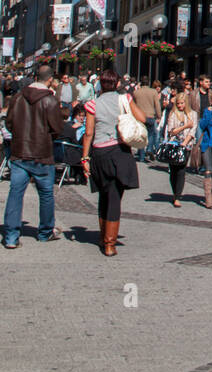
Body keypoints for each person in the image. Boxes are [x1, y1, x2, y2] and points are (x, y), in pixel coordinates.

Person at [81, 68, 147, 255]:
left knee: (104, 194)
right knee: (114, 197)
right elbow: (142, 118)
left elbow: (88, 133)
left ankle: (104, 237)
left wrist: (85, 157)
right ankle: (110, 243)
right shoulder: (124, 99)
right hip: (119, 151)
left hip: (100, 153)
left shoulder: (92, 104)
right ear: (117, 83)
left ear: (100, 84)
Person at [2, 60, 66, 248]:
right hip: (42, 155)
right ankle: (45, 232)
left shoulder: (18, 98)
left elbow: (9, 124)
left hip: (20, 153)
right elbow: (57, 128)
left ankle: (11, 236)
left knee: (15, 194)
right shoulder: (50, 100)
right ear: (50, 80)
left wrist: (20, 136)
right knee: (46, 194)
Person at [164, 94, 197, 206]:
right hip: (174, 145)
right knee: (173, 170)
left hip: (186, 146)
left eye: (182, 103)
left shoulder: (193, 114)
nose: (180, 105)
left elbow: (193, 131)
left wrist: (184, 143)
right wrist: (185, 126)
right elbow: (171, 131)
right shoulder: (173, 114)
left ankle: (177, 196)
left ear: (186, 103)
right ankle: (174, 194)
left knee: (181, 170)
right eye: (178, 103)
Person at [133, 77, 162, 163]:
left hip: (140, 116)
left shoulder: (136, 92)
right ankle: (149, 148)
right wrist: (159, 116)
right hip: (150, 116)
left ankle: (141, 157)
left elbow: (134, 105)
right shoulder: (153, 92)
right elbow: (157, 105)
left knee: (141, 136)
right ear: (148, 83)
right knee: (151, 134)